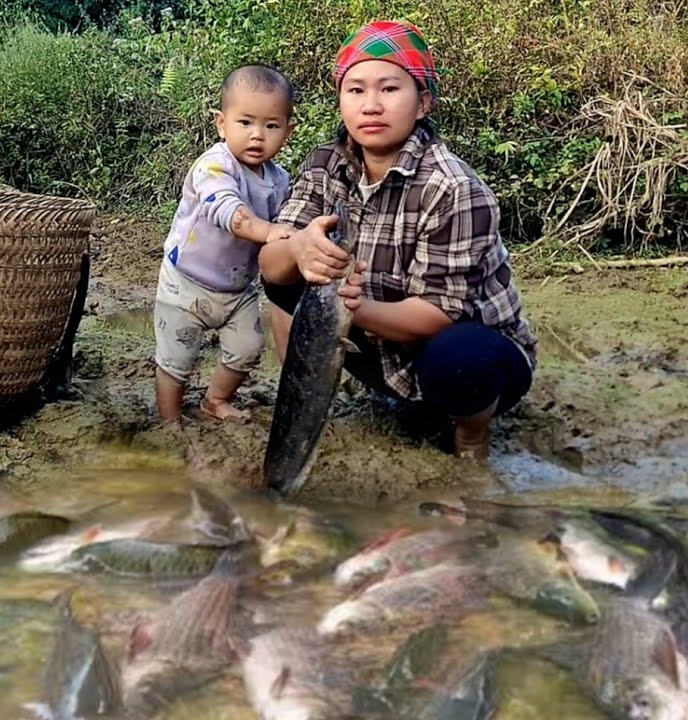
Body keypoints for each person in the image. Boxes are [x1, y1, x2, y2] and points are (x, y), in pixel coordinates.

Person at [258, 20, 537, 460]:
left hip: (470, 354)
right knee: (286, 280)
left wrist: (349, 309)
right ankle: (308, 402)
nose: (371, 105)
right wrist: (296, 247)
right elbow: (270, 268)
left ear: (422, 103)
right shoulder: (324, 163)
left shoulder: (453, 187)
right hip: (379, 341)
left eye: (389, 89)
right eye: (356, 91)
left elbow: (437, 315)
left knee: (462, 354)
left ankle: (471, 433)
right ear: (341, 102)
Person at [154, 64, 297, 423]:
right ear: (221, 123)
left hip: (237, 289)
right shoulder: (214, 166)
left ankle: (215, 400)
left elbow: (290, 222)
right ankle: (169, 420)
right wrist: (267, 232)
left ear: (288, 131)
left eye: (271, 125)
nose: (257, 135)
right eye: (245, 122)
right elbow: (228, 212)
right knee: (178, 357)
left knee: (248, 349)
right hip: (185, 284)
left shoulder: (280, 180)